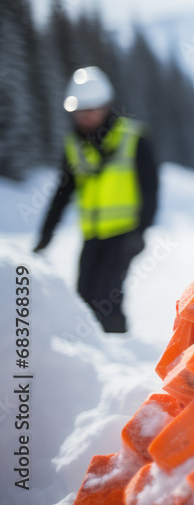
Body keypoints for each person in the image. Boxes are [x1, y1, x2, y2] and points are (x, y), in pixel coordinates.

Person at [34, 66, 158, 333]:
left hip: (124, 234)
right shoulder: (74, 146)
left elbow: (150, 189)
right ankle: (96, 355)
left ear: (106, 105)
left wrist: (141, 232)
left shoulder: (134, 138)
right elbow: (61, 194)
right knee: (83, 296)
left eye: (91, 108)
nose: (85, 116)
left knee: (107, 297)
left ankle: (119, 354)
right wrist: (45, 236)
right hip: (92, 235)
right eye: (79, 110)